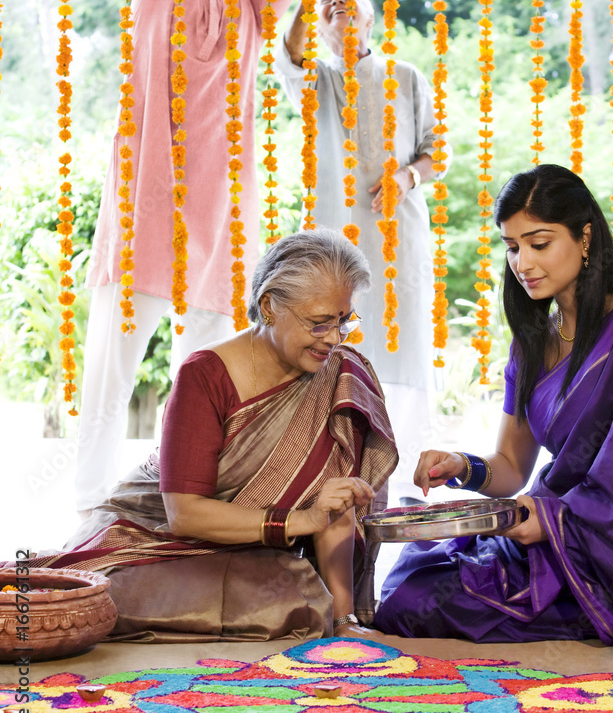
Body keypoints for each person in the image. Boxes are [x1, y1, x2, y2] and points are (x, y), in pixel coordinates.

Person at [374, 164, 613, 644]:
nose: (523, 263)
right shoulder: (531, 344)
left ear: (584, 237)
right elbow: (511, 466)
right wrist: (461, 466)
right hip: (555, 527)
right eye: (512, 247)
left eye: (539, 243)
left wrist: (556, 522)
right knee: (412, 587)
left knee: (442, 605)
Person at [76, 0, 306, 514]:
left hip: (216, 231)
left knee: (200, 387)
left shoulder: (250, 12)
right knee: (107, 379)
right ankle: (84, 513)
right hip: (145, 219)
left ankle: (177, 512)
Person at [33, 231, 398, 642]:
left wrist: (345, 622)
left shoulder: (342, 376)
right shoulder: (204, 374)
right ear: (269, 307)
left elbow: (337, 507)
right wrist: (300, 521)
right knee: (95, 599)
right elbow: (185, 514)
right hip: (154, 536)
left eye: (344, 321)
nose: (333, 337)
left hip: (257, 547)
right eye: (319, 323)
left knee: (301, 605)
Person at [275, 0, 449, 502]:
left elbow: (437, 152)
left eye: (348, 0)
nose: (337, 4)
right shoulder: (316, 79)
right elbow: (291, 52)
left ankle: (412, 487)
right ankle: (338, 482)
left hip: (399, 240)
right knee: (336, 343)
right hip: (335, 244)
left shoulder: (406, 76)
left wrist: (405, 177)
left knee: (405, 344)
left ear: (370, 20)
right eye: (326, 4)